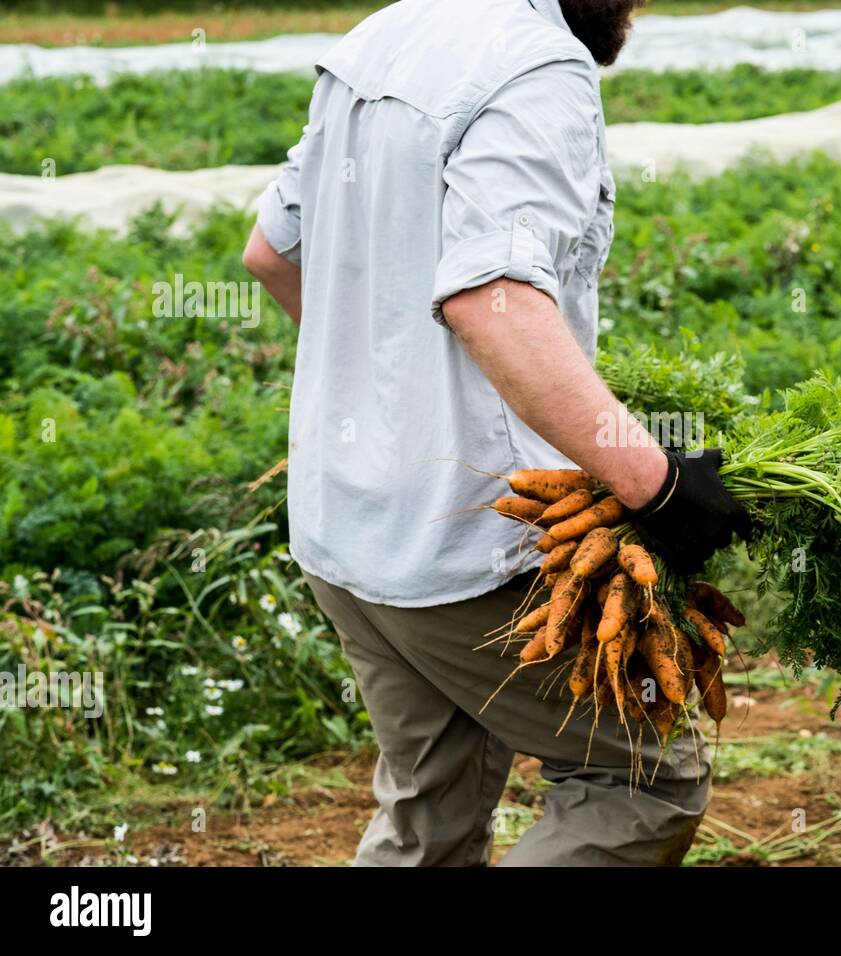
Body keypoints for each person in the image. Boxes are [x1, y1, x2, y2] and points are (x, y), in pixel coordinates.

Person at [241, 0, 749, 866]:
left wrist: (392, 395)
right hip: (467, 540)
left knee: (429, 806)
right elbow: (493, 302)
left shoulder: (384, 34)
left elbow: (272, 252)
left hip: (347, 531)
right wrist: (653, 483)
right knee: (641, 784)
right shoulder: (536, 64)